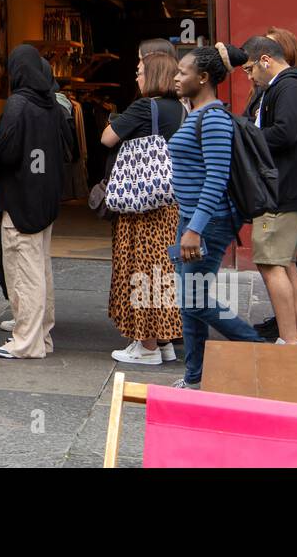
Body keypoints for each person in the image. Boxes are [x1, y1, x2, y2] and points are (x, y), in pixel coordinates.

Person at [169, 45, 264, 389]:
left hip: (206, 222)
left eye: (183, 72)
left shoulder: (213, 118)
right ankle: (194, 377)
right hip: (192, 219)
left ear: (204, 78)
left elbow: (216, 177)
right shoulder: (196, 114)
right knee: (190, 301)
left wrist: (194, 229)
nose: (176, 78)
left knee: (192, 298)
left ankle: (260, 351)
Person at [0, 45, 73, 359]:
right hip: (45, 199)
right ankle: (41, 337)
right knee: (42, 271)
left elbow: (6, 152)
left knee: (24, 272)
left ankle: (25, 342)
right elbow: (67, 149)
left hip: (21, 200)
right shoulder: (51, 104)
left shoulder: (18, 104)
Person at [101, 50, 184, 365]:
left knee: (139, 270)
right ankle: (164, 342)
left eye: (139, 70)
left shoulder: (142, 107)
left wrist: (114, 119)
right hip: (169, 201)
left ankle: (145, 345)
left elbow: (107, 138)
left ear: (153, 74)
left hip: (141, 202)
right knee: (161, 272)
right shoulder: (179, 108)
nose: (136, 76)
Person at [241, 35, 297, 346]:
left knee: (271, 261)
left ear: (265, 60)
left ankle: (290, 342)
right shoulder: (290, 86)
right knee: (284, 262)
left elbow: (284, 134)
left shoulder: (289, 87)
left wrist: (246, 133)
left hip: (283, 189)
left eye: (249, 68)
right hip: (285, 187)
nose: (249, 76)